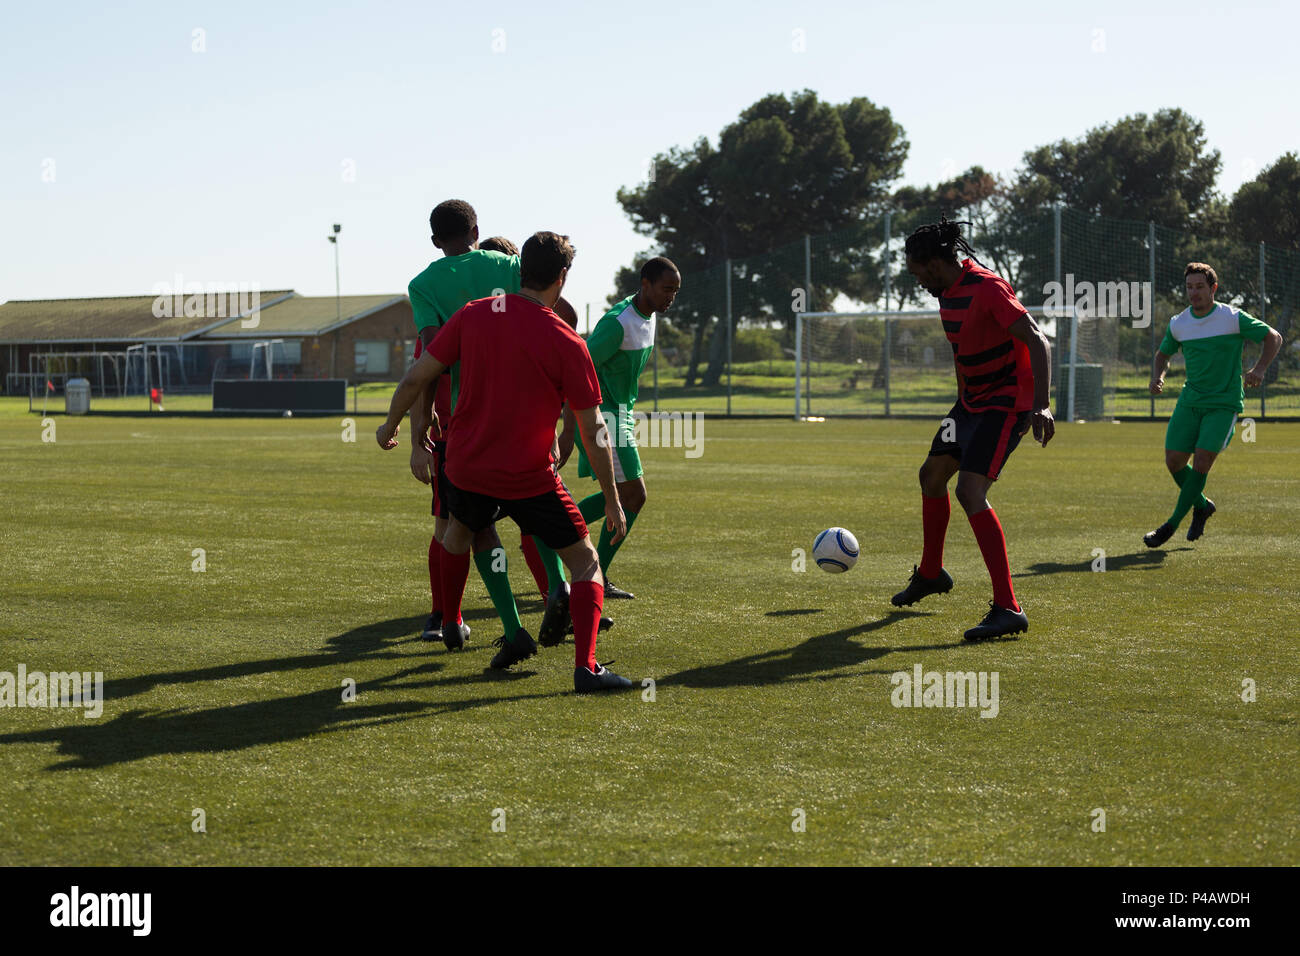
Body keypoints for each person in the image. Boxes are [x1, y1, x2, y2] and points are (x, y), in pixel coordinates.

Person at [379, 232, 633, 693]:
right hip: (530, 474)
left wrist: (390, 425)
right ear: (561, 276)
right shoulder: (566, 339)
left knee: (461, 534)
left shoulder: (473, 316)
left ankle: (454, 621)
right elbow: (594, 430)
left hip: (468, 467)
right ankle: (587, 668)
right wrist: (612, 499)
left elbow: (417, 375)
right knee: (585, 561)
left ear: (521, 269)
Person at [407, 202, 569, 651]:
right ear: (477, 229)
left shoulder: (423, 285)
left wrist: (416, 430)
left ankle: (453, 616)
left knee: (461, 527)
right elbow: (557, 309)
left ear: (436, 240)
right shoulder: (510, 263)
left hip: (466, 427)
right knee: (538, 515)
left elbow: (428, 361)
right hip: (530, 418)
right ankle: (556, 588)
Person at [890, 218, 1055, 641]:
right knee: (930, 476)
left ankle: (1009, 608)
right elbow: (963, 353)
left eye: (916, 272)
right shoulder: (947, 293)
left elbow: (1038, 340)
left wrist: (1041, 405)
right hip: (971, 405)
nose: (916, 281)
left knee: (969, 491)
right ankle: (931, 573)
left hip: (1006, 404)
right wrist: (962, 405)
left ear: (933, 264)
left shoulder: (987, 288)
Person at [1144, 262, 1282, 546]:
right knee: (1174, 461)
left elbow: (1273, 337)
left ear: (1213, 289)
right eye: (1189, 287)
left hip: (1223, 403)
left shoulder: (1232, 318)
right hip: (1190, 400)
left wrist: (1260, 369)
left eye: (1200, 287)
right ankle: (1203, 506)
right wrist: (1158, 377)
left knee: (1202, 461)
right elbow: (1162, 355)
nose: (1193, 293)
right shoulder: (1179, 323)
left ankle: (1170, 526)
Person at [569, 257, 680, 601]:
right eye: (666, 289)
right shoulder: (619, 322)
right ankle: (594, 574)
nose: (670, 297)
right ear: (645, 284)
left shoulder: (649, 317)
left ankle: (558, 531)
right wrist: (569, 423)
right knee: (634, 496)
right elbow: (577, 367)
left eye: (675, 291)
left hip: (622, 418)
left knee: (620, 497)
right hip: (605, 419)